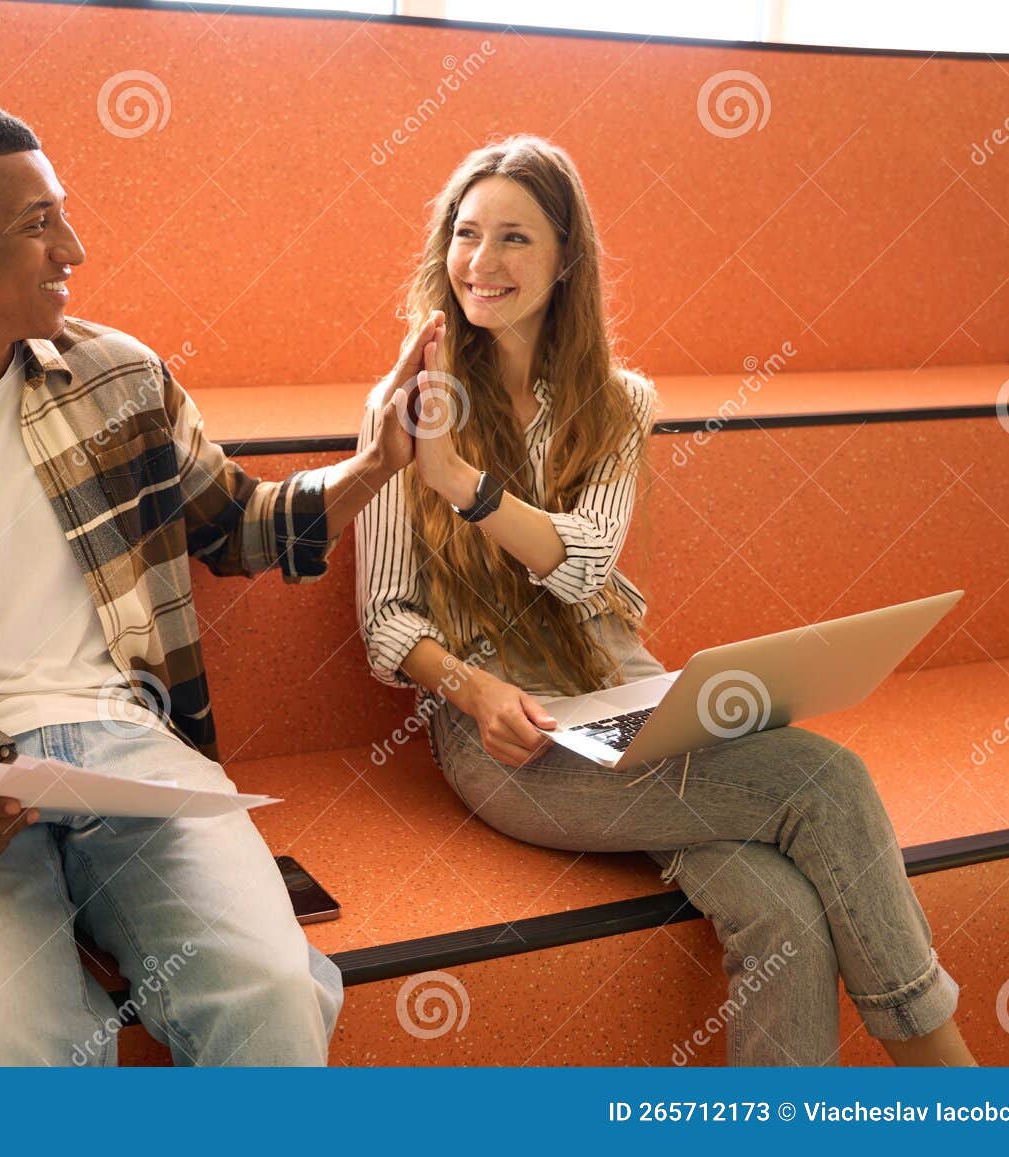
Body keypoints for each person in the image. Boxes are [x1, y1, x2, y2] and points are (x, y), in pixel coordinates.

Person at [0, 99, 417, 1066]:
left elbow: (233, 526)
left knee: (270, 995)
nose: (75, 247)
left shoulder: (120, 379)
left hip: (132, 756)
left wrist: (375, 466)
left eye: (63, 213)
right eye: (37, 223)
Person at [353, 135, 975, 1066]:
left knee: (785, 913)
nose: (482, 263)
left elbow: (587, 568)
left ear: (566, 259)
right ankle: (954, 1094)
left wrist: (466, 485)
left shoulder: (618, 402)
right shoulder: (405, 405)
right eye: (466, 233)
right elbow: (384, 618)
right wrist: (475, 691)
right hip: (505, 734)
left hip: (626, 694)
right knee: (825, 779)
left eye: (515, 239)